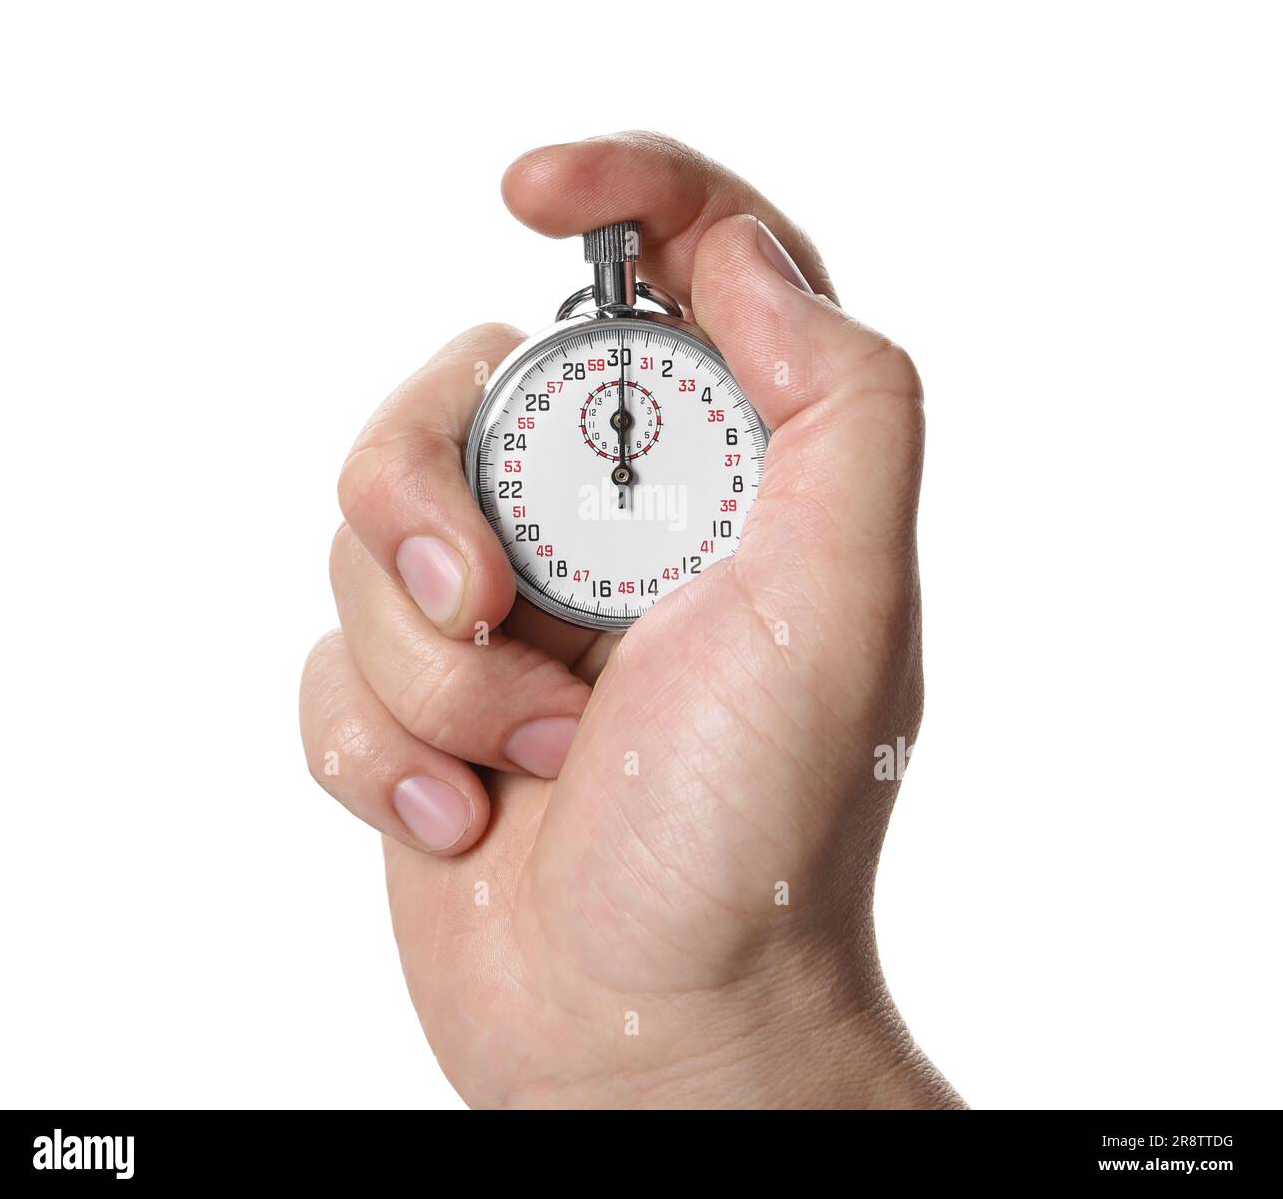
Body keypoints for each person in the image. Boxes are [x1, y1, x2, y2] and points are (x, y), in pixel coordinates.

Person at [299, 132, 963, 1109]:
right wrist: (668, 1060)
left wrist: (734, 1020)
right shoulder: (547, 407)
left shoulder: (752, 436)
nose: (622, 469)